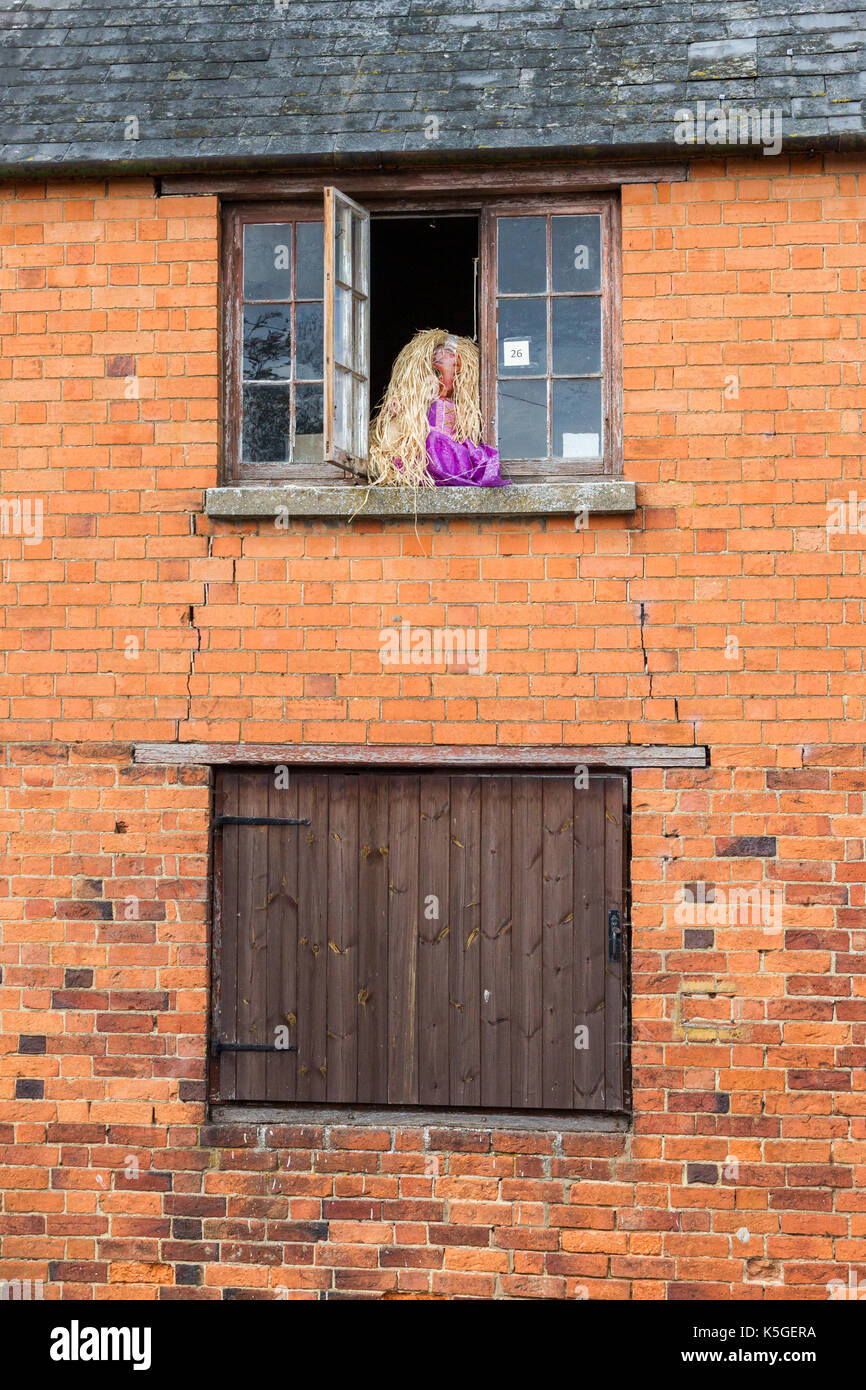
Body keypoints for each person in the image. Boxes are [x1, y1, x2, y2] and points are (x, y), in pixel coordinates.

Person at [367, 328, 509, 487]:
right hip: (427, 452)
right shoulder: (420, 403)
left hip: (449, 453)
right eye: (436, 371)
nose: (441, 379)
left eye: (457, 373)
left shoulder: (460, 408)